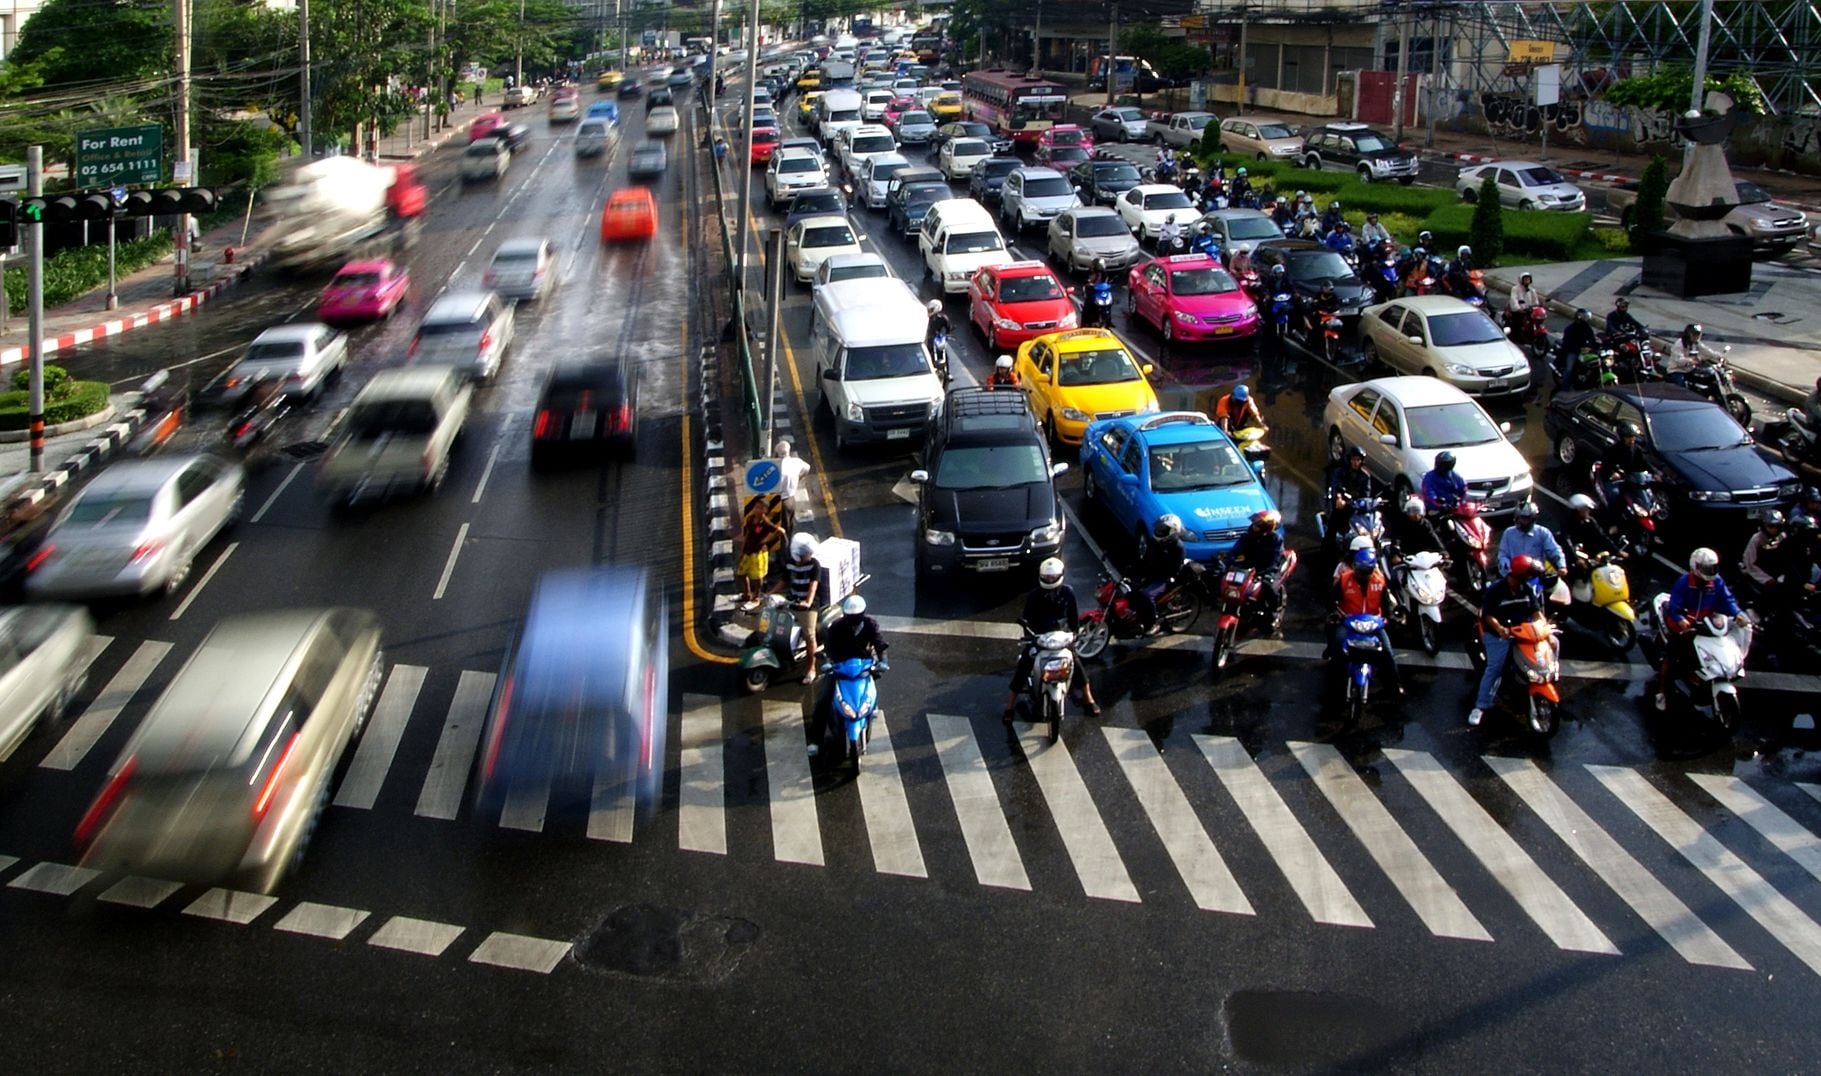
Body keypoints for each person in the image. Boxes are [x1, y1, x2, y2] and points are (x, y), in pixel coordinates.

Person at [1003, 557, 1101, 719]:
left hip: (1060, 638)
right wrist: (1030, 636)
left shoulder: (1067, 592)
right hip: (1040, 638)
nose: (1049, 579)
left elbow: (1073, 618)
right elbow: (1027, 618)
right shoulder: (1034, 595)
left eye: (1052, 577)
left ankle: (1088, 699)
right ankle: (1009, 706)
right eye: (1047, 577)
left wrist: (1074, 635)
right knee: (1024, 665)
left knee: (1076, 663)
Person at [1656, 548, 1744, 710]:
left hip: (1707, 623)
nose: (1710, 572)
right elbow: (1675, 606)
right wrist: (1680, 619)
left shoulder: (1717, 582)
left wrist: (1737, 614)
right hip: (1685, 624)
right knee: (1672, 656)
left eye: (1712, 568)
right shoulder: (1684, 582)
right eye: (1706, 569)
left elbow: (1727, 600)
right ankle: (1662, 693)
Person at [1468, 555, 1546, 727]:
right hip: (1499, 634)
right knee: (1495, 668)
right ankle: (1480, 705)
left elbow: (1535, 612)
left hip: (1524, 632)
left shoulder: (1526, 589)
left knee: (1552, 643)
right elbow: (1488, 615)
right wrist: (1500, 629)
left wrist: (1543, 624)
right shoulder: (1496, 590)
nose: (1529, 579)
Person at [1328, 547, 1405, 697]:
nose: (1363, 575)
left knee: (1388, 652)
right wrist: (1334, 613)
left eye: (1366, 571)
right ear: (1354, 567)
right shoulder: (1344, 579)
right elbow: (1332, 600)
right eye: (1360, 570)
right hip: (1349, 621)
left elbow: (1386, 603)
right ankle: (1335, 681)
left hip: (1373, 623)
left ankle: (1395, 683)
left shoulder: (1380, 581)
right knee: (1337, 645)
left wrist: (1391, 617)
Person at [1226, 509, 1289, 617]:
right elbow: (1235, 551)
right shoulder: (1247, 536)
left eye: (1258, 524)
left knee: (1269, 586)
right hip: (1249, 568)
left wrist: (1267, 573)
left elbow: (1275, 559)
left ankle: (1274, 613)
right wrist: (1228, 562)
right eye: (1255, 523)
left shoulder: (1275, 540)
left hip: (1267, 570)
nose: (1254, 526)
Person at [1132, 515, 1187, 634]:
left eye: (1162, 530)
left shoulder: (1178, 547)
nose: (1158, 532)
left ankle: (1152, 623)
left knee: (1147, 595)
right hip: (1152, 574)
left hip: (1164, 578)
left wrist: (1155, 573)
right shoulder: (1154, 542)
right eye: (1159, 529)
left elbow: (1173, 570)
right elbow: (1146, 557)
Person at [781, 533, 822, 682]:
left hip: (807, 606)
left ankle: (811, 668)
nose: (809, 556)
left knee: (809, 635)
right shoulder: (789, 563)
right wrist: (767, 594)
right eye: (806, 554)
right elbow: (784, 581)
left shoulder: (814, 565)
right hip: (792, 601)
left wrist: (808, 602)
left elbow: (813, 586)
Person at [1496, 499, 1566, 579]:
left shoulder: (1543, 532)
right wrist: (1506, 567)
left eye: (1527, 519)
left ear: (1533, 519)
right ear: (1517, 518)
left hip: (1536, 574)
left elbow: (1554, 550)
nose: (1524, 522)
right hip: (1514, 575)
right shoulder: (1508, 533)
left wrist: (1561, 566)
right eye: (1522, 518)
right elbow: (1503, 554)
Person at [738, 507, 787, 611]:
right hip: (748, 551)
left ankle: (756, 598)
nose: (756, 509)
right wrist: (742, 551)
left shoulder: (765, 523)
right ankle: (746, 594)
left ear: (764, 511)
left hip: (759, 553)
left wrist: (766, 541)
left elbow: (779, 530)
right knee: (741, 573)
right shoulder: (750, 519)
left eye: (759, 507)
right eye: (756, 506)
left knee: (758, 577)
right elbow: (746, 535)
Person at [1559, 492, 1619, 572]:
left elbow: (1602, 536)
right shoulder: (1567, 526)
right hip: (1577, 562)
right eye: (1586, 509)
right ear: (1578, 510)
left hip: (1593, 558)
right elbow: (1567, 544)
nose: (1588, 512)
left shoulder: (1590, 521)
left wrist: (1617, 551)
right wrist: (1577, 559)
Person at [1387, 496, 1448, 560]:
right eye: (1412, 512)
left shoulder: (1426, 524)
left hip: (1425, 557)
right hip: (1407, 556)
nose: (1416, 515)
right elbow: (1396, 539)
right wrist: (1395, 554)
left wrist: (1442, 551)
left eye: (1418, 511)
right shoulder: (1400, 524)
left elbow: (1434, 537)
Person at [1741, 509, 1787, 590]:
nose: (1774, 529)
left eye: (1777, 526)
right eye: (1771, 526)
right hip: (1760, 574)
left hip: (1780, 573)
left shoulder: (1783, 537)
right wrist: (1766, 579)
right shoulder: (1756, 539)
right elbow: (1749, 563)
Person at [773, 438, 814, 531]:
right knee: (789, 525)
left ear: (776, 453)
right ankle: (788, 541)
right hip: (791, 499)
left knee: (782, 528)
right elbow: (807, 468)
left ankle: (785, 545)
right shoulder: (796, 462)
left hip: (780, 500)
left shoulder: (775, 467)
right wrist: (798, 478)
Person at [1556, 308, 1602, 387]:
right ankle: (1565, 388)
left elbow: (1592, 339)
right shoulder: (1570, 329)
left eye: (1587, 318)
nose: (1586, 320)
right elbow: (1567, 343)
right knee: (1569, 369)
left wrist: (1595, 345)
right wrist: (1579, 348)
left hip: (1585, 351)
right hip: (1573, 351)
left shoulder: (1587, 328)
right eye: (1585, 318)